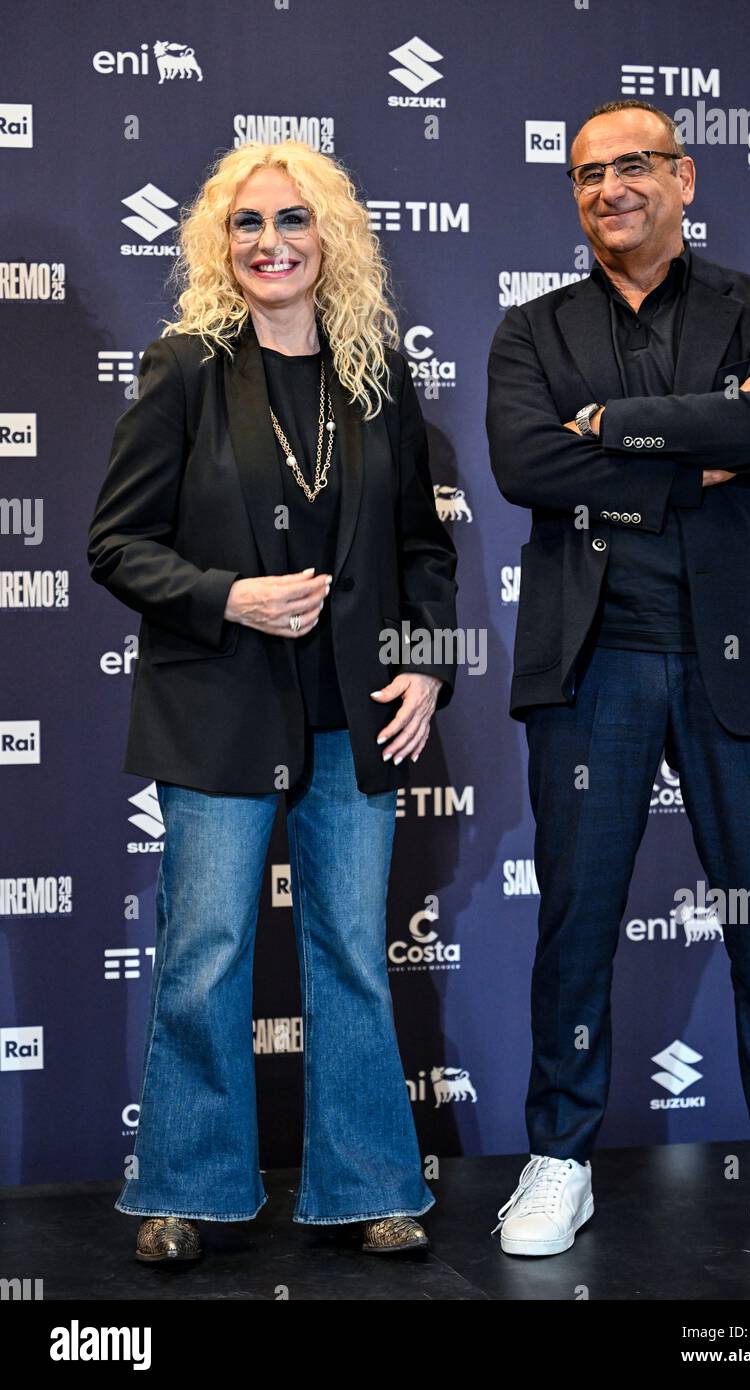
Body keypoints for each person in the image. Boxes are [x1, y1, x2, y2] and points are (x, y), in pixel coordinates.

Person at [485, 99, 750, 1258]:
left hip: (734, 661)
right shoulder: (530, 330)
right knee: (577, 919)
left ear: (683, 178)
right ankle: (559, 1159)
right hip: (594, 660)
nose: (609, 189)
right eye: (587, 174)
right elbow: (522, 462)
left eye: (632, 166)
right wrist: (683, 454)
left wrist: (611, 428)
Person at [87, 138, 458, 1262]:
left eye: (291, 221)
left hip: (357, 711)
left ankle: (367, 1188)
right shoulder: (186, 365)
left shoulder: (376, 372)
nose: (270, 243)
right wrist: (228, 595)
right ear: (219, 243)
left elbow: (423, 549)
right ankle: (189, 1190)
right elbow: (113, 543)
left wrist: (427, 660)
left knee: (350, 948)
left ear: (328, 236)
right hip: (218, 706)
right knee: (204, 953)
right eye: (248, 224)